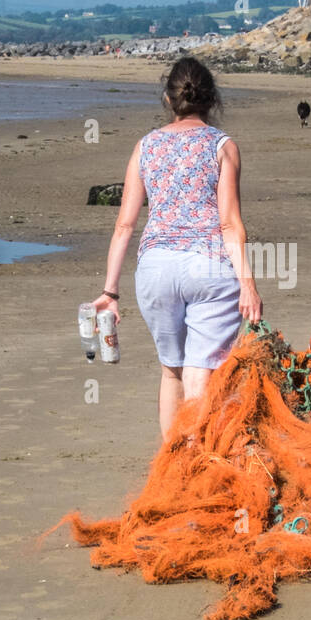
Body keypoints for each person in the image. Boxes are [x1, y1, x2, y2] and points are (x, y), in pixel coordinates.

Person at [93, 57, 262, 439]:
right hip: (210, 267)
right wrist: (248, 285)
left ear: (168, 100)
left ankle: (172, 469)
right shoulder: (222, 145)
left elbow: (124, 225)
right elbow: (230, 223)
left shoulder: (146, 146)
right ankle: (201, 466)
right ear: (211, 99)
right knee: (201, 373)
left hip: (156, 268)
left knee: (172, 370)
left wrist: (110, 291)